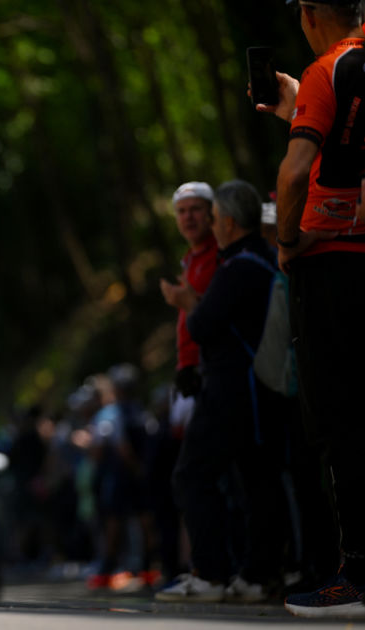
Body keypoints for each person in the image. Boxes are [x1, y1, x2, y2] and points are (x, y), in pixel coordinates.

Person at [258, 0, 365, 617]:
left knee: (340, 421)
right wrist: (298, 105)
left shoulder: (330, 70)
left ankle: (356, 577)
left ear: (306, 13)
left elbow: (297, 173)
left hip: (333, 263)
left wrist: (289, 240)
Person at [156, 180, 290, 603]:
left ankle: (213, 572)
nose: (202, 222)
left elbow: (204, 323)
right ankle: (257, 572)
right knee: (255, 479)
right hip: (250, 386)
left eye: (207, 214)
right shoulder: (251, 259)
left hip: (238, 386)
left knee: (194, 475)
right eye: (186, 211)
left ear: (227, 221)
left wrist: (188, 304)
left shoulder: (237, 265)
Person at [159, 181, 219, 400]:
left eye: (195, 209)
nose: (188, 217)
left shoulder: (222, 252)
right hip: (198, 370)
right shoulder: (190, 260)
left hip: (218, 365)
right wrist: (185, 364)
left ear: (212, 211)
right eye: (182, 211)